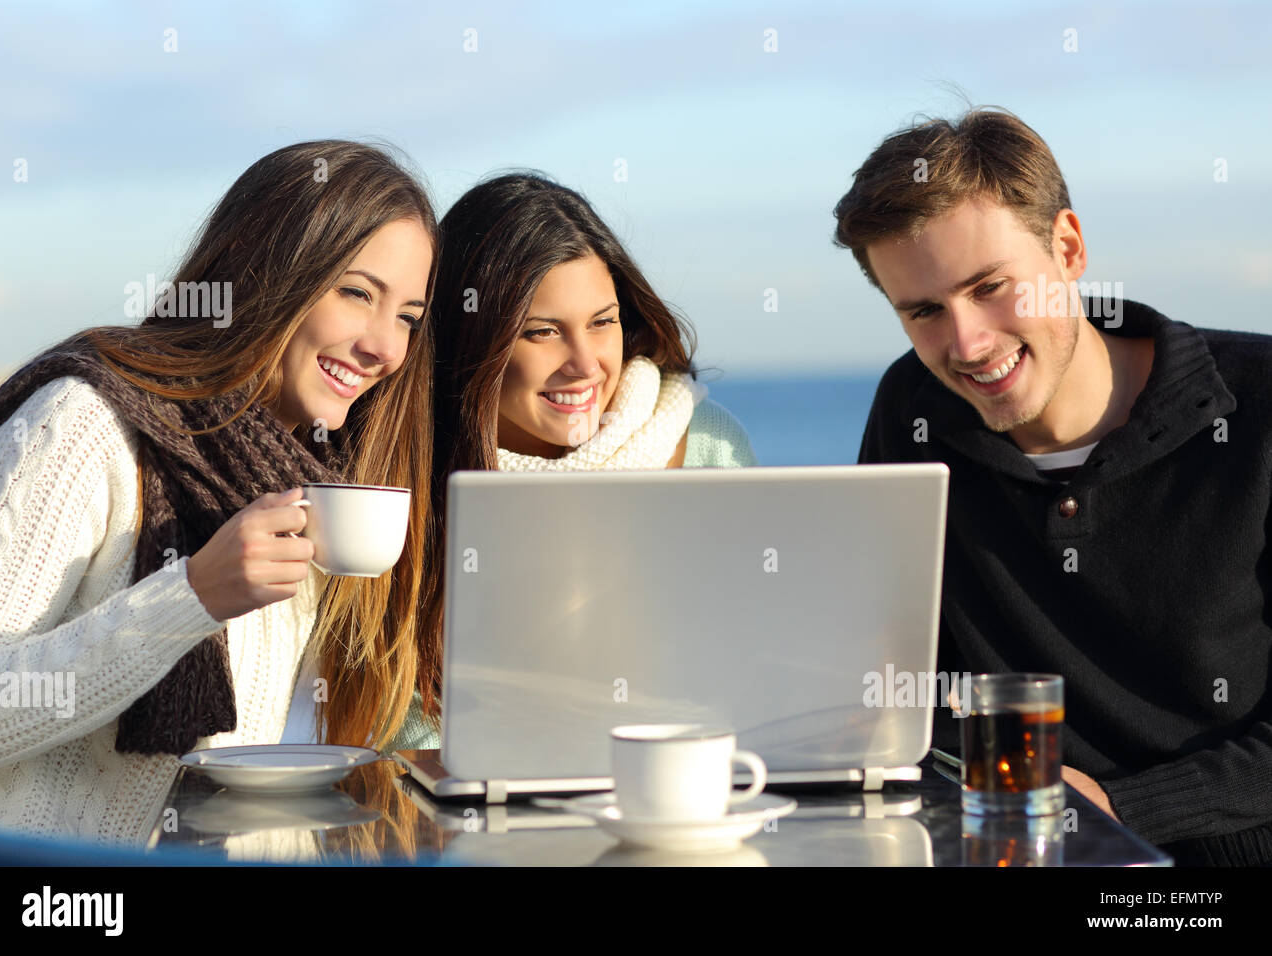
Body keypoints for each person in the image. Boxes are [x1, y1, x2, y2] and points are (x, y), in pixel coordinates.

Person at [837, 108, 1272, 866]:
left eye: (991, 287)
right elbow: (895, 678)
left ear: (1067, 248)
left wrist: (1119, 810)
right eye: (925, 311)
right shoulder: (913, 411)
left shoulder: (1260, 405)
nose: (968, 343)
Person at [0, 140, 440, 845]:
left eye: (408, 315)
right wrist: (186, 597)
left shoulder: (295, 472)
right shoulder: (84, 424)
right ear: (268, 274)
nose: (385, 347)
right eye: (356, 293)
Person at [383, 173, 756, 752]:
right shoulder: (410, 476)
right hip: (468, 811)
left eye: (602, 322)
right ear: (471, 341)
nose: (585, 364)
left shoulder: (705, 442)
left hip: (673, 781)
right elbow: (398, 729)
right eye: (542, 333)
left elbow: (758, 659)